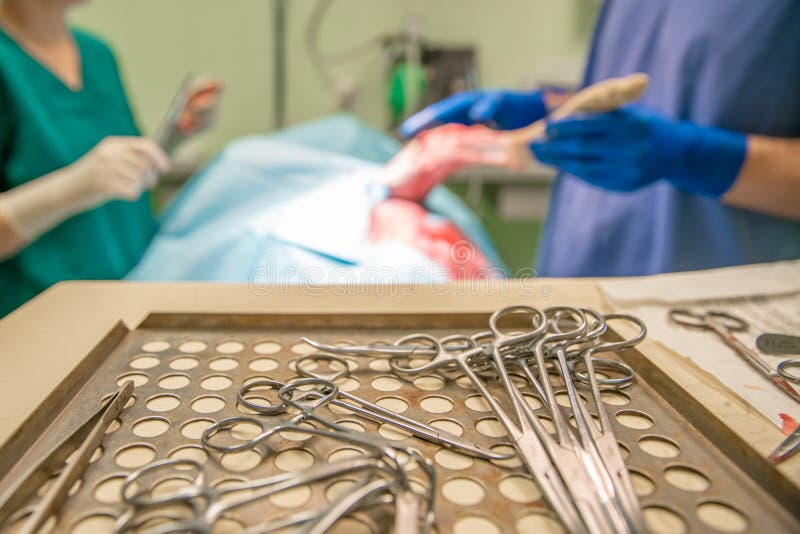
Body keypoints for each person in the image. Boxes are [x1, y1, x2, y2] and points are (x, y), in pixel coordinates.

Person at [401, 0, 800, 277]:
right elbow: (655, 90)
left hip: (717, 306)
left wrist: (693, 156)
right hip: (579, 285)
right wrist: (549, 109)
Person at [0, 0, 218, 316]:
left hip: (131, 299)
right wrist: (73, 187)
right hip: (37, 317)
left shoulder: (97, 54)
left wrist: (174, 137)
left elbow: (119, 178)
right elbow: (88, 174)